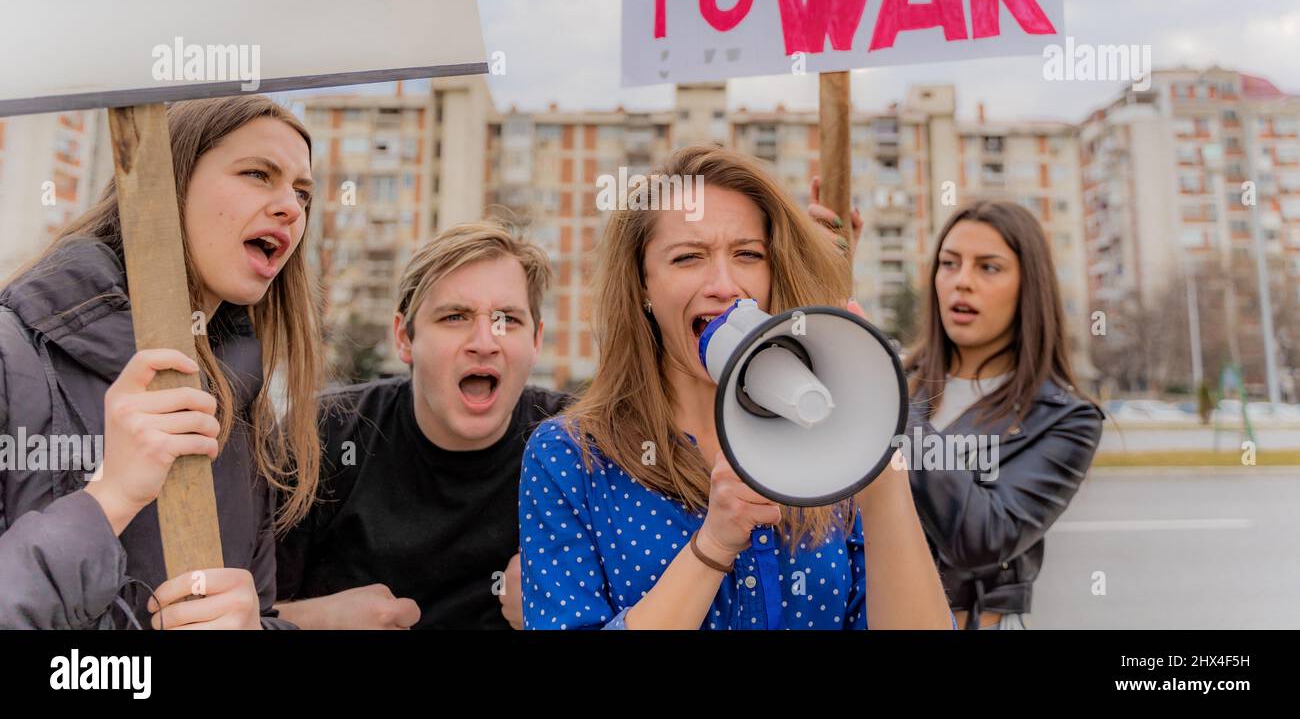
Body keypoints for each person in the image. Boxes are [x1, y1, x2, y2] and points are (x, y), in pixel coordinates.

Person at [519, 146, 954, 629]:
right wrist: (714, 545)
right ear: (642, 285)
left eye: (748, 254)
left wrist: (881, 470)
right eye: (688, 257)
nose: (724, 285)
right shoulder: (570, 457)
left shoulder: (832, 445)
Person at [0, 96, 323, 629]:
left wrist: (252, 625)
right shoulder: (13, 357)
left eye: (302, 192)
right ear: (164, 180)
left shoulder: (242, 401)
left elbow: (258, 607)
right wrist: (110, 498)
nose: (291, 206)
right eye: (258, 174)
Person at [275, 222, 568, 629]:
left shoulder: (579, 446)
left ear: (536, 341)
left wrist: (563, 614)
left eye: (507, 319)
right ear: (404, 338)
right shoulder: (322, 435)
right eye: (454, 317)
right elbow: (231, 611)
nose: (484, 341)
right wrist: (315, 620)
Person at [893, 200, 1104, 629]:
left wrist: (886, 404)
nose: (962, 282)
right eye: (949, 263)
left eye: (988, 268)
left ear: (1029, 286)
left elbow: (982, 537)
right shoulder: (899, 381)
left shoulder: (1064, 420)